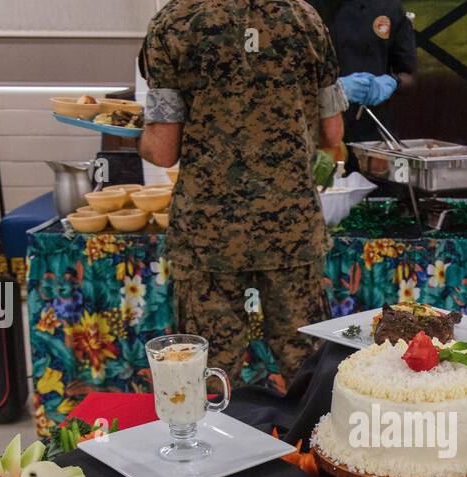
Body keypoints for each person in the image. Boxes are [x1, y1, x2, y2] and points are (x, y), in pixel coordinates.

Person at [138, 0, 348, 385]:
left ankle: (210, 443)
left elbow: (164, 150)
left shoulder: (174, 22)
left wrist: (141, 138)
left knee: (208, 368)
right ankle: (310, 442)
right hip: (291, 225)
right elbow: (332, 134)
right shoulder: (304, 17)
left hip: (209, 232)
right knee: (307, 362)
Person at [310, 1, 417, 153]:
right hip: (320, 130)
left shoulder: (390, 8)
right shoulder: (305, 8)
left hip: (375, 133)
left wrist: (392, 82)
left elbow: (409, 75)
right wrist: (336, 89)